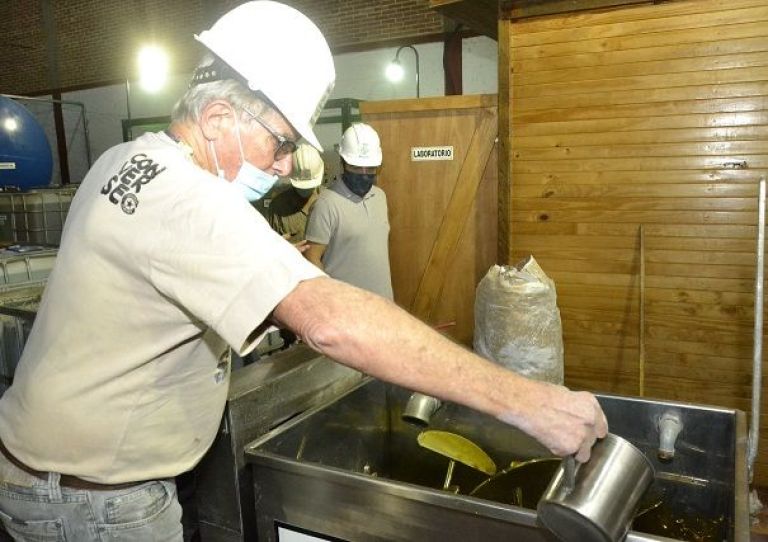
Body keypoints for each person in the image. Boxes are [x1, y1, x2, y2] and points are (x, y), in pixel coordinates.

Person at [0, 2, 607, 540]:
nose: (287, 165)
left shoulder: (125, 158)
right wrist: (530, 402)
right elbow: (330, 323)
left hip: (51, 474)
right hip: (96, 504)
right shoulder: (189, 198)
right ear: (216, 120)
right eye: (282, 143)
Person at [305, 123, 394, 299]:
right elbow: (311, 258)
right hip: (347, 309)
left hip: (383, 305)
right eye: (355, 167)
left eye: (370, 169)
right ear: (343, 163)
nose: (363, 174)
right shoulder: (326, 204)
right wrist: (333, 299)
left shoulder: (380, 197)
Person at [263, 143, 323, 242]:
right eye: (301, 186)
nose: (305, 190)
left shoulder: (330, 202)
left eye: (309, 185)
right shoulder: (278, 207)